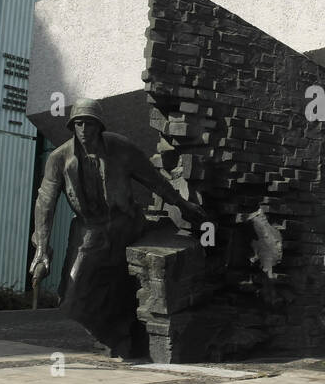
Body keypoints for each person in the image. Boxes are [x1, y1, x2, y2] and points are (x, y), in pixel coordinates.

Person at [30, 100, 207, 359]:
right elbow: (45, 201)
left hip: (126, 224)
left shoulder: (120, 147)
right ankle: (106, 337)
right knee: (73, 296)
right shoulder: (59, 158)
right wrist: (42, 250)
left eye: (89, 123)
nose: (83, 129)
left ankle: (124, 339)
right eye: (78, 123)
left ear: (99, 126)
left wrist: (181, 204)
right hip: (89, 229)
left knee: (122, 285)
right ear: (72, 126)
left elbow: (154, 180)